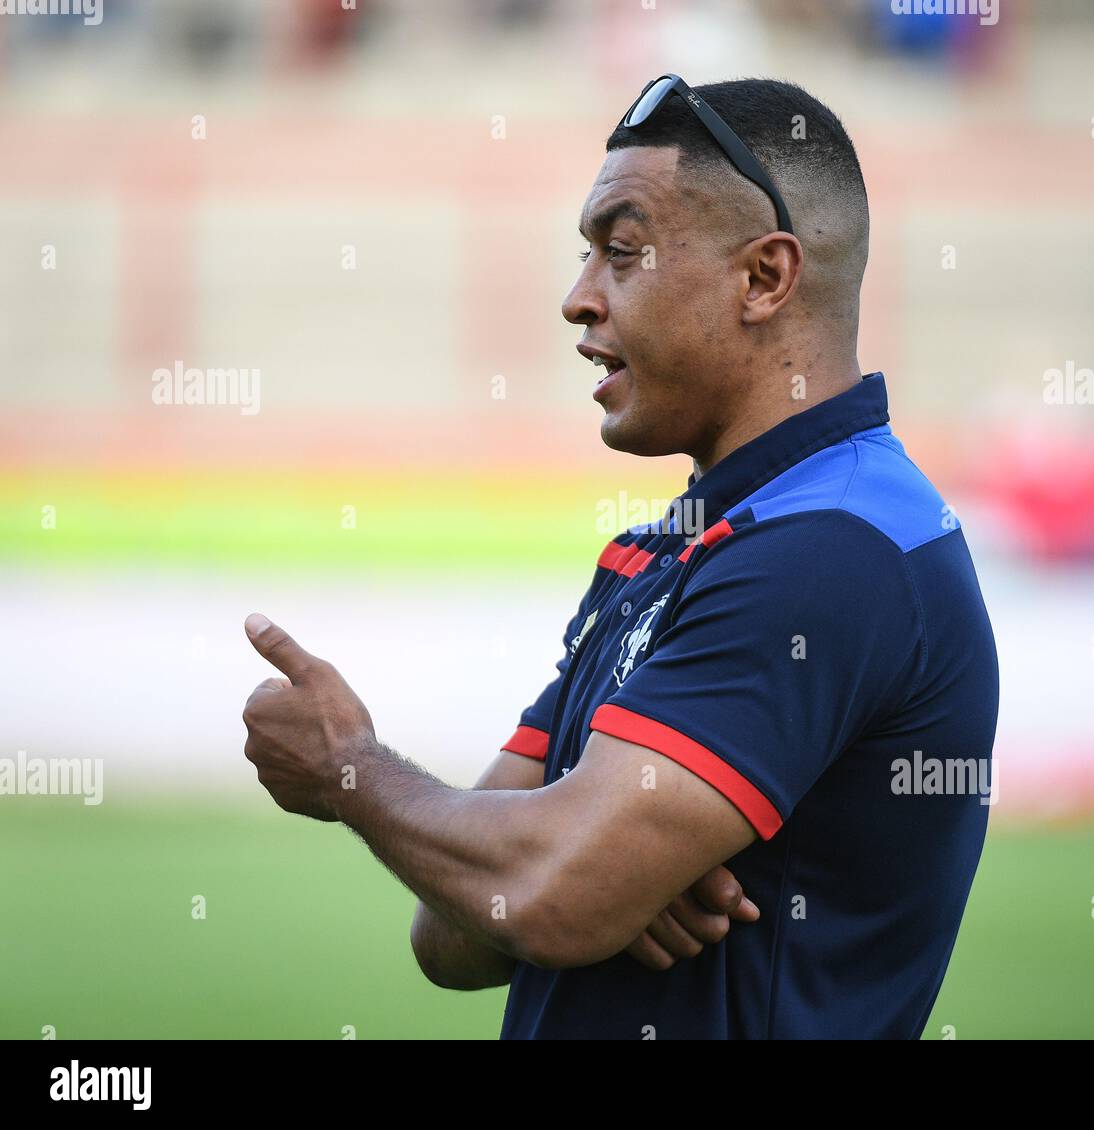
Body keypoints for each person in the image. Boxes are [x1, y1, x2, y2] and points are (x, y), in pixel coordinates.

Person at [241, 75, 999, 1039]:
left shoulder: (831, 551)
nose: (576, 299)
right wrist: (591, 861)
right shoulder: (674, 550)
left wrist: (350, 768)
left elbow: (541, 890)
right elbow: (454, 932)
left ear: (764, 278)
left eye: (622, 252)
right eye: (585, 255)